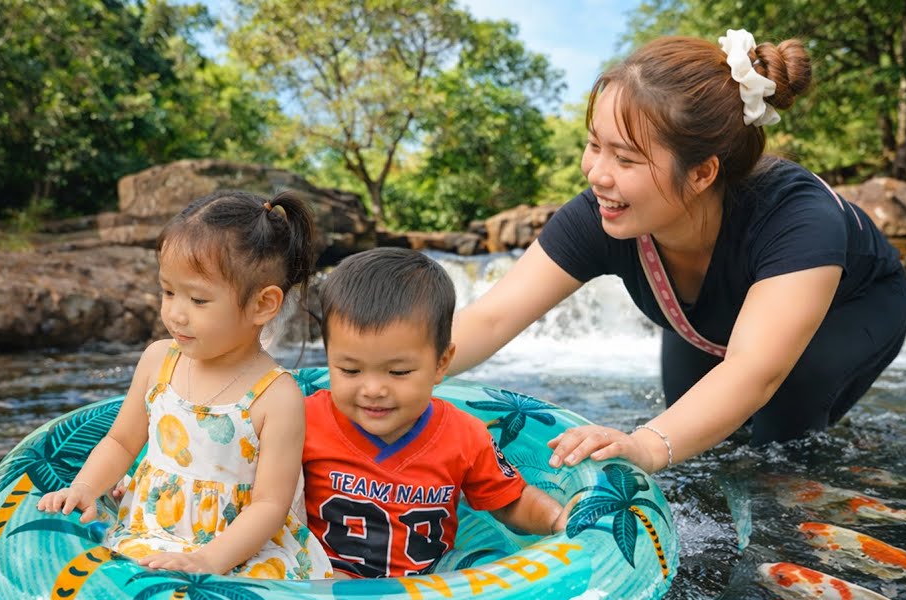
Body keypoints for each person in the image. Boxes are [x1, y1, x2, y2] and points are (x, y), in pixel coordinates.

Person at [450, 31, 906, 474]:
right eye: (594, 146)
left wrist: (647, 444)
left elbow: (753, 372)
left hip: (851, 309)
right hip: (705, 326)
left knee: (777, 449)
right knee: (697, 445)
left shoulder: (798, 219)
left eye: (625, 159)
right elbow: (491, 318)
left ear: (701, 174)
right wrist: (395, 372)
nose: (596, 174)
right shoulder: (603, 214)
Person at [38, 190, 334, 580]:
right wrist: (85, 487)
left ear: (262, 305)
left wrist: (209, 560)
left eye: (198, 299)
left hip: (236, 547)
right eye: (168, 292)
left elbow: (269, 504)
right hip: (151, 528)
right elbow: (122, 442)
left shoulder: (276, 397)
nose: (175, 313)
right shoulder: (159, 360)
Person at [303, 247, 568, 578]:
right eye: (350, 370)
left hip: (430, 586)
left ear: (442, 362)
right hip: (323, 581)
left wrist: (558, 519)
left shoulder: (465, 435)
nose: (373, 389)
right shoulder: (302, 421)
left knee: (488, 561)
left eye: (398, 372)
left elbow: (511, 501)